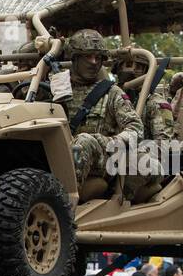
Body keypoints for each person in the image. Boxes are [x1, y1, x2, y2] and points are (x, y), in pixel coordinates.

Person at [60, 29, 144, 201]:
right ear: (74, 58)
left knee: (84, 141)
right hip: (61, 152)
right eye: (88, 56)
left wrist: (112, 142)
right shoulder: (57, 88)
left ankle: (64, 206)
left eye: (98, 58)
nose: (94, 62)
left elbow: (136, 129)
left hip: (102, 157)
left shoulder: (111, 92)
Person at [113, 52, 175, 142]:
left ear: (145, 70)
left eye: (137, 67)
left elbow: (164, 144)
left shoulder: (156, 103)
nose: (130, 70)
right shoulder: (111, 98)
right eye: (124, 66)